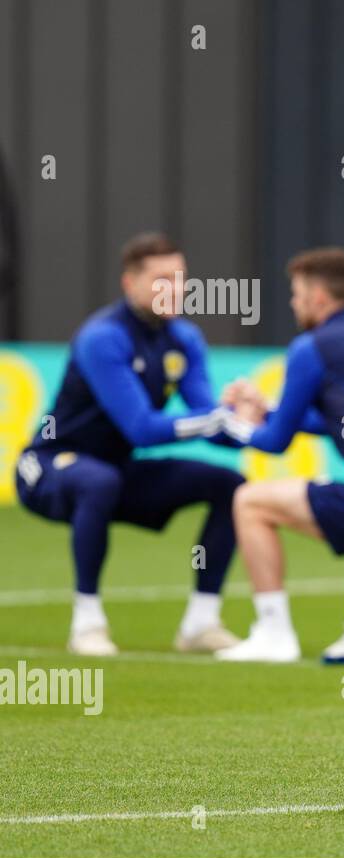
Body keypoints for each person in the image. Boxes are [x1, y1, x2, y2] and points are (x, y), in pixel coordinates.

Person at [14, 232, 244, 656]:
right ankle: (87, 624)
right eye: (161, 279)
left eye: (179, 278)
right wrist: (216, 418)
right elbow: (142, 428)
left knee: (232, 485)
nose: (174, 289)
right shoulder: (103, 337)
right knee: (97, 480)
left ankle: (200, 622)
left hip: (116, 471)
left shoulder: (185, 339)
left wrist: (252, 420)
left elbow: (213, 426)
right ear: (130, 283)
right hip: (48, 466)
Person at [216, 247, 344, 664]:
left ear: (318, 298)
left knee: (249, 501)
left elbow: (275, 443)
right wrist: (268, 410)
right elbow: (335, 417)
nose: (293, 303)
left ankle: (273, 632)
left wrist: (231, 423)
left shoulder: (311, 346)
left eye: (296, 293)